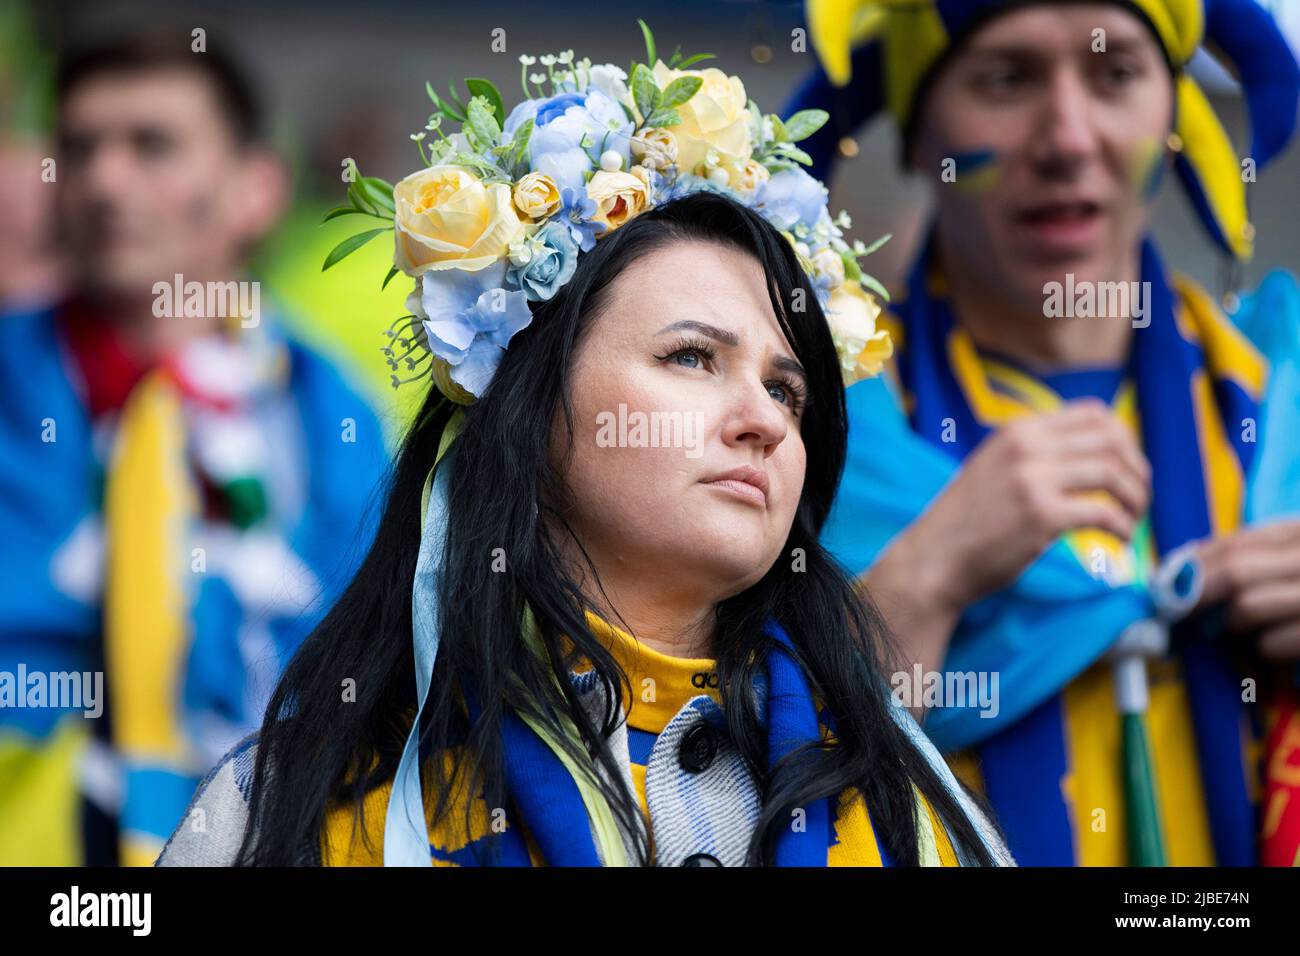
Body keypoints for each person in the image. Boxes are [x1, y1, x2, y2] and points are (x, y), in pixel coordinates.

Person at [157, 35, 1014, 866]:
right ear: (531, 404)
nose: (766, 419)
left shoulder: (909, 814)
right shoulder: (303, 805)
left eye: (789, 391)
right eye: (692, 357)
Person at [790, 0, 1300, 865]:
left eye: (1116, 75)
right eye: (1007, 78)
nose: (1067, 138)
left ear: (1171, 118)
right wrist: (928, 577)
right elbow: (726, 788)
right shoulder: (795, 438)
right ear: (919, 136)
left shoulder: (1282, 394)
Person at [0, 33, 387, 866]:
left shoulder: (332, 410)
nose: (105, 180)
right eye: (80, 148)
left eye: (153, 145)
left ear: (258, 188)